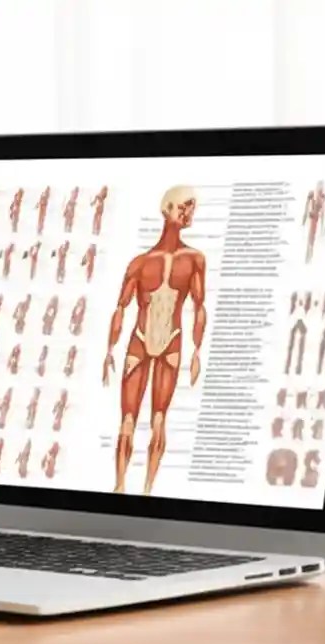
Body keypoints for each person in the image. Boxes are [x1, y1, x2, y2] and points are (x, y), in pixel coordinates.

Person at [102, 186, 207, 495]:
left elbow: (199, 306)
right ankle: (119, 487)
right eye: (184, 207)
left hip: (171, 340)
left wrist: (197, 351)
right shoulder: (140, 263)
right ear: (167, 209)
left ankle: (147, 490)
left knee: (159, 419)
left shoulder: (194, 259)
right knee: (127, 421)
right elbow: (121, 307)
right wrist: (109, 350)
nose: (189, 213)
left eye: (192, 207)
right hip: (139, 338)